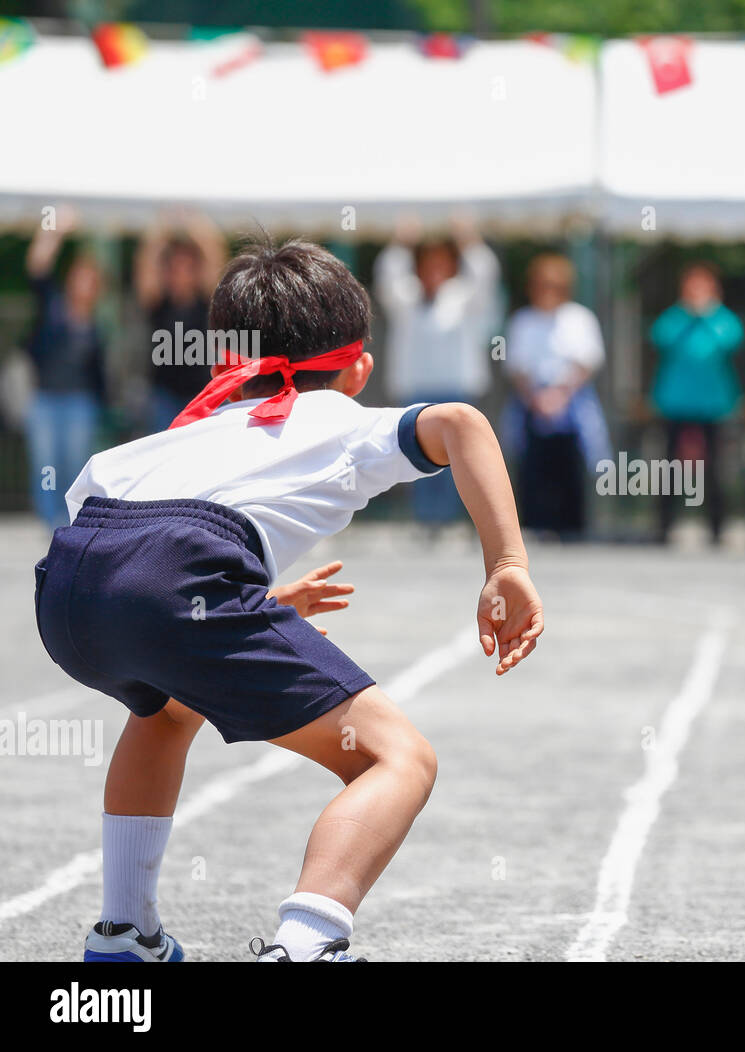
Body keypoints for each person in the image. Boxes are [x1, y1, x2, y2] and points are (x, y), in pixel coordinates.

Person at [34, 238, 544, 963]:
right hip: (183, 580)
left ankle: (124, 934)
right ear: (359, 366)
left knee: (166, 710)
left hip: (69, 585)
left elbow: (124, 541)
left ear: (227, 363)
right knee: (397, 759)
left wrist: (244, 601)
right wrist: (508, 563)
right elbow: (463, 425)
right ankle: (309, 944)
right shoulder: (341, 421)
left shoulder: (179, 433)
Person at [374, 217, 501, 525]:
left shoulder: (463, 297)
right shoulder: (406, 297)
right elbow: (387, 279)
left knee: (457, 461)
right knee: (417, 458)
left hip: (455, 390)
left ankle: (451, 521)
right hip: (417, 390)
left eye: (440, 265)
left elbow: (485, 276)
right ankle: (425, 520)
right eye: (427, 266)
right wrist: (401, 244)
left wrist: (469, 241)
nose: (433, 272)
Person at [502, 253, 609, 538]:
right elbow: (516, 366)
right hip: (532, 401)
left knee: (570, 465)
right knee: (532, 465)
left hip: (571, 401)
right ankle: (535, 525)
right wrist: (536, 398)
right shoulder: (522, 320)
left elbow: (588, 360)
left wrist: (560, 394)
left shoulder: (580, 318)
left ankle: (572, 526)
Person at [649, 262, 744, 545]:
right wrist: (689, 316)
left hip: (713, 405)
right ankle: (663, 527)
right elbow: (660, 338)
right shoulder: (673, 319)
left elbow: (731, 342)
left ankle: (716, 528)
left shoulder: (723, 320)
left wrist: (706, 316)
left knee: (715, 468)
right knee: (669, 467)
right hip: (675, 403)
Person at [23, 211, 107, 530]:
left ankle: (70, 523)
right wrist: (55, 229)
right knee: (46, 466)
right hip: (45, 398)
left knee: (74, 464)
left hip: (79, 402)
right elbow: (38, 266)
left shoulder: (96, 326)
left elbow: (99, 375)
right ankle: (49, 524)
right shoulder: (52, 307)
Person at [134, 211, 227, 432]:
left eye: (187, 267)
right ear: (166, 272)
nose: (181, 273)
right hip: (163, 396)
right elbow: (145, 264)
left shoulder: (207, 301)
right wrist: (163, 226)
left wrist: (193, 222)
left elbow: (216, 257)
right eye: (175, 267)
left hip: (203, 395)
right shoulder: (158, 302)